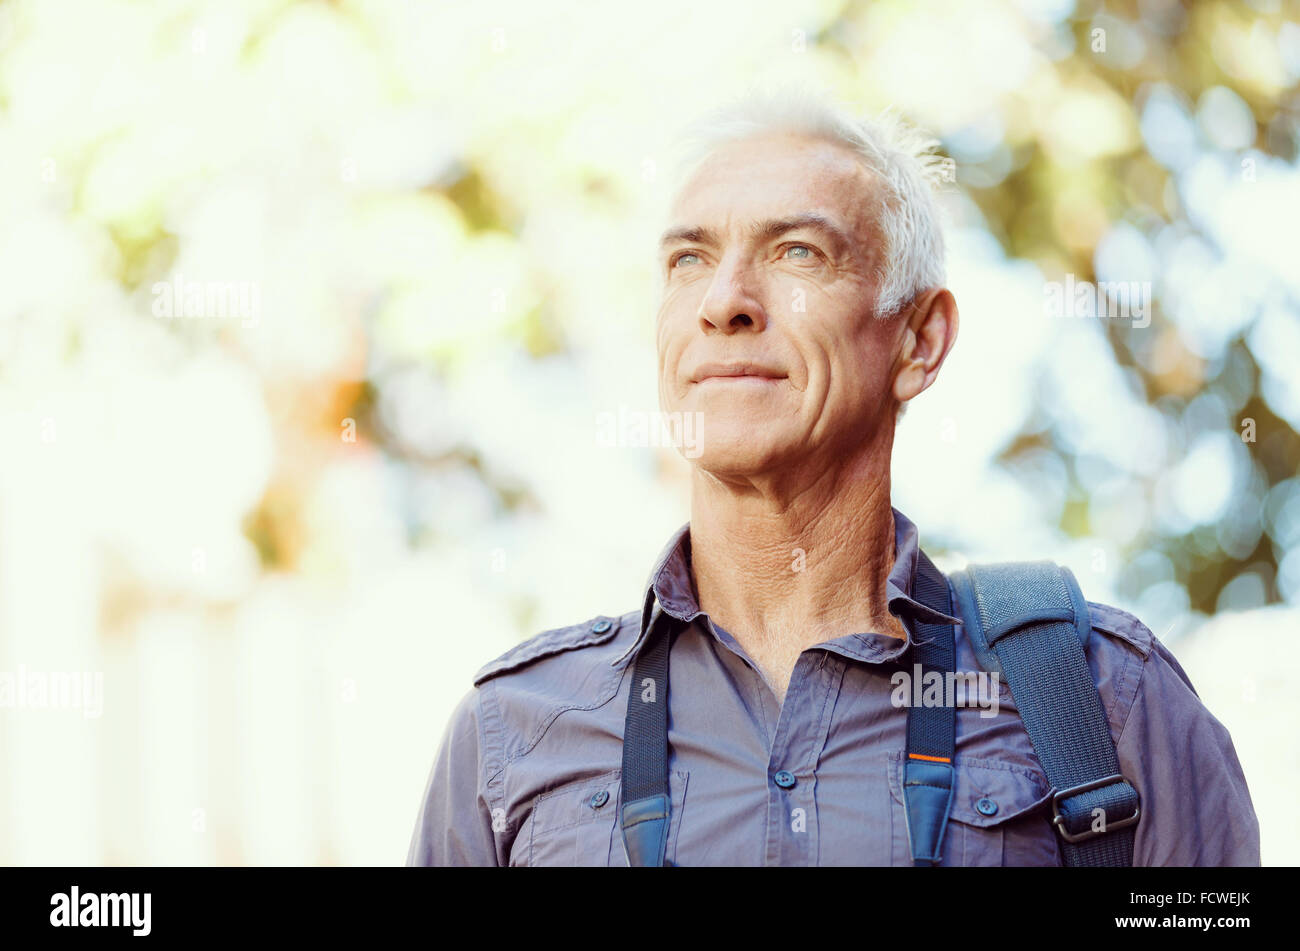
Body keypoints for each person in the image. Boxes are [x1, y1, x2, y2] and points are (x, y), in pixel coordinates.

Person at [406, 87, 1261, 866]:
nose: (724, 301)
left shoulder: (1102, 700)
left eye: (798, 252)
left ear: (919, 341)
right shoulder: (510, 737)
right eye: (689, 261)